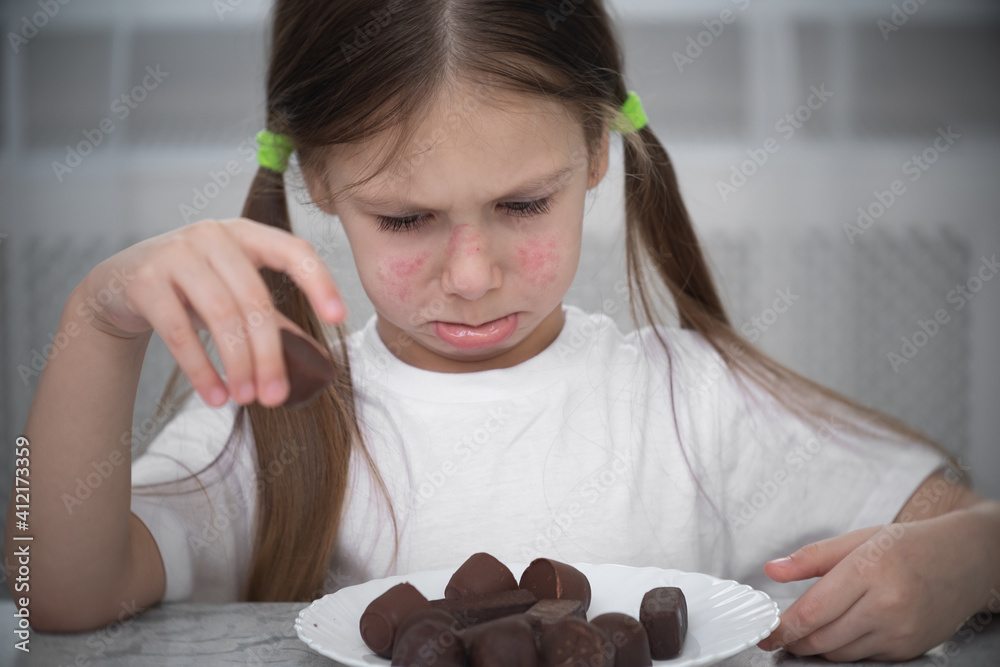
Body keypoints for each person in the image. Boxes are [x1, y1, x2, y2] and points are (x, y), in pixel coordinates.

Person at [5, 0, 999, 662]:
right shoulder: (275, 424)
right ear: (315, 180)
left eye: (523, 203)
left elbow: (960, 522)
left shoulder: (695, 402)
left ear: (596, 151)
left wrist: (969, 560)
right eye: (404, 219)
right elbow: (45, 587)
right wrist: (100, 320)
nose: (471, 277)